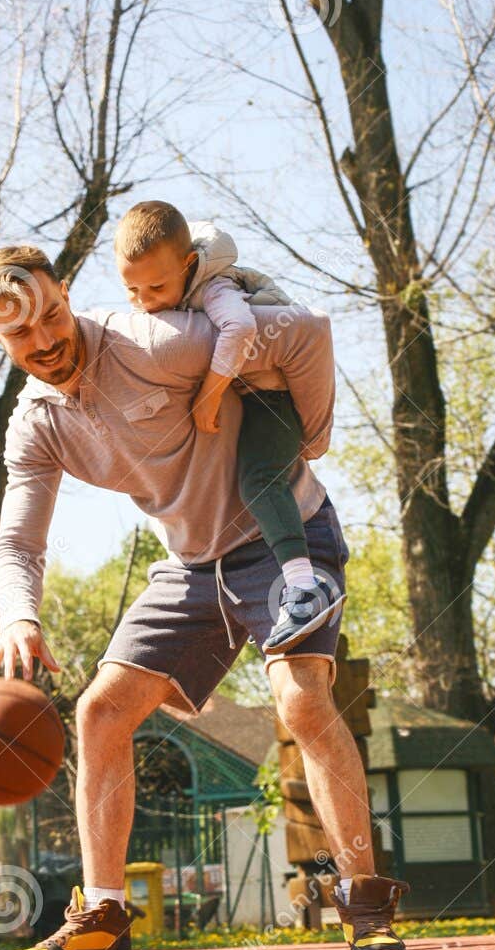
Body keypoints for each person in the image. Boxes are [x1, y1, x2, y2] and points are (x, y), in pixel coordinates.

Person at [0, 245, 409, 950]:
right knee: (100, 712)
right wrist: (20, 615)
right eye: (21, 334)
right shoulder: (38, 424)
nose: (45, 340)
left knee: (300, 701)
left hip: (281, 534)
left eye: (51, 314)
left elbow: (309, 332)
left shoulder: (152, 341)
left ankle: (364, 902)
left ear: (67, 293)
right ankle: (105, 915)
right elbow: (17, 540)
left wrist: (313, 432)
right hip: (191, 562)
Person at [113, 200, 339, 656]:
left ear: (189, 264)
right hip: (247, 396)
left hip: (272, 399)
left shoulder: (214, 287)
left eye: (156, 286)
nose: (145, 301)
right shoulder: (164, 297)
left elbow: (240, 328)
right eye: (132, 290)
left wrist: (210, 394)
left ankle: (302, 586)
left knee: (259, 481)